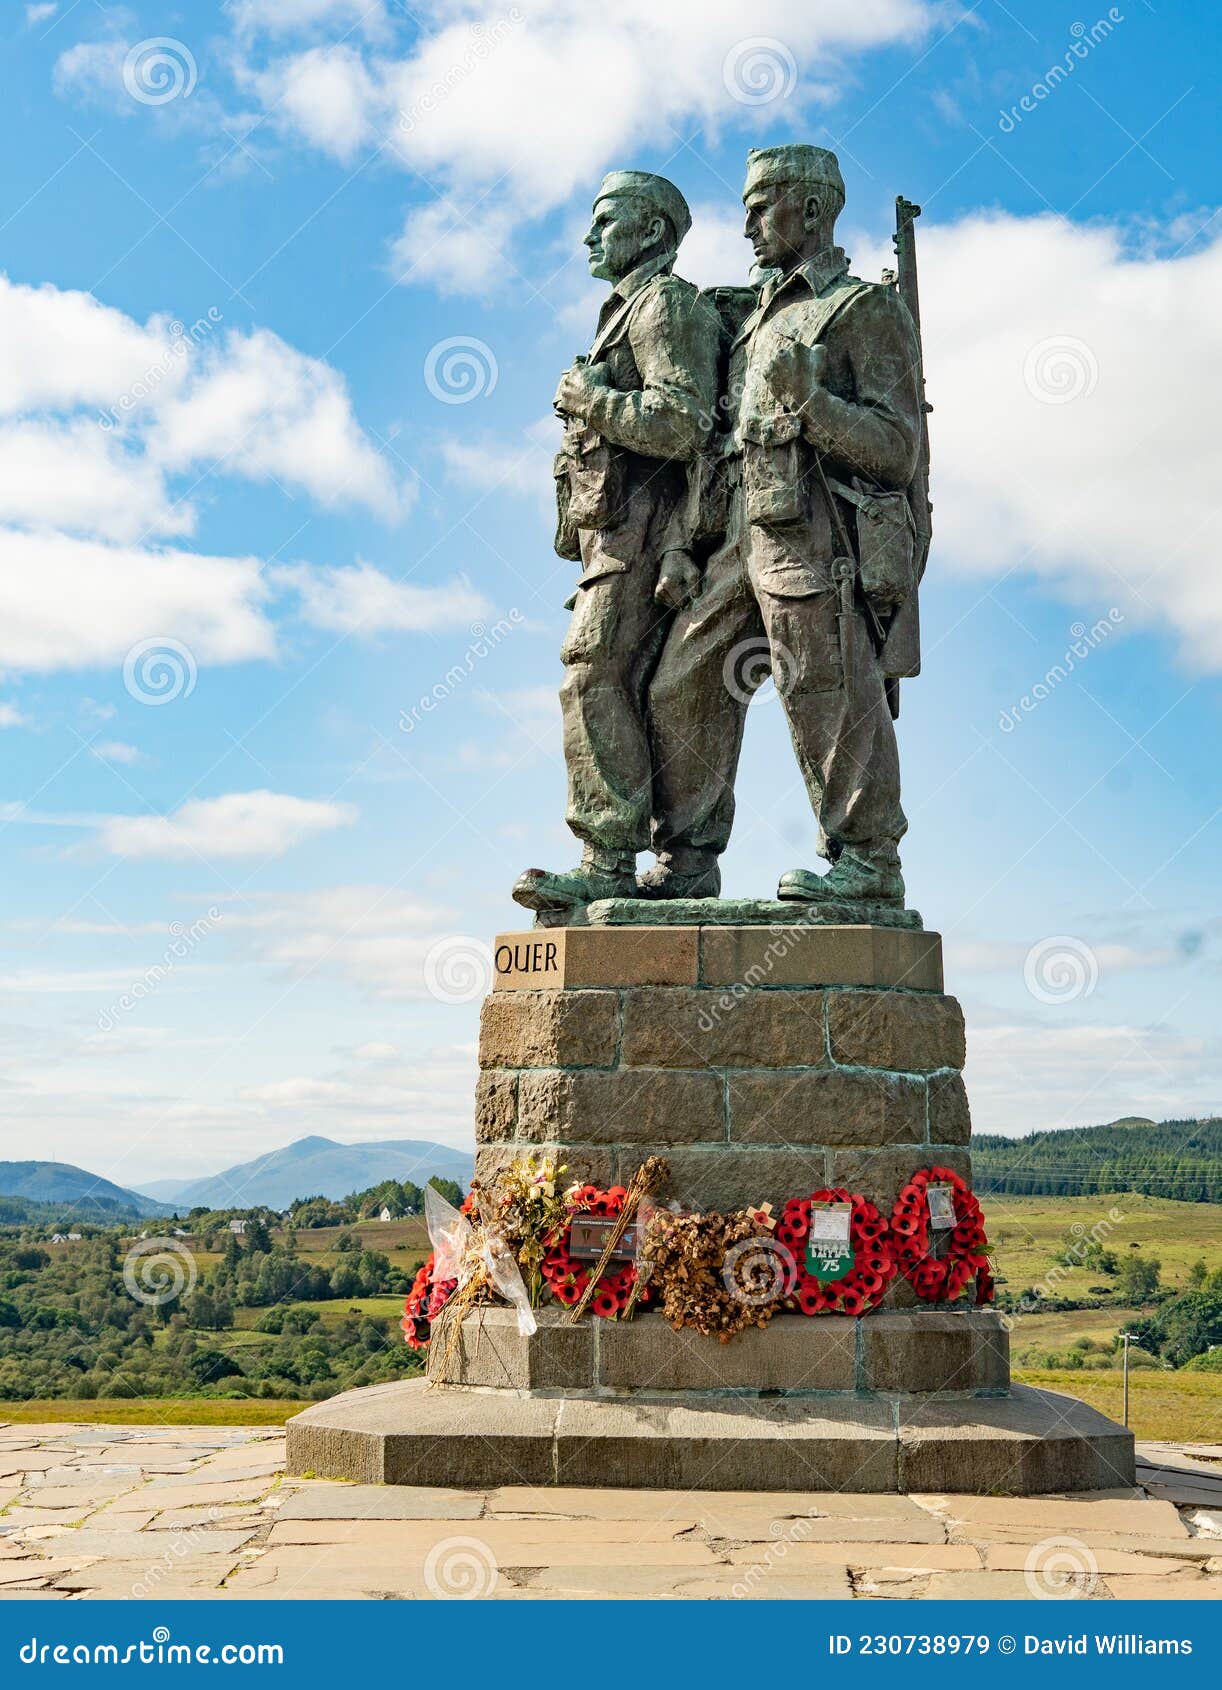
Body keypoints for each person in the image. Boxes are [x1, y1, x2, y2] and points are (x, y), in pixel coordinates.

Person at [643, 144, 923, 907]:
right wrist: (682, 543)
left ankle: (868, 863)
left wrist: (816, 406)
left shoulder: (864, 309)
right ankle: (690, 859)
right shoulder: (748, 318)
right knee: (679, 686)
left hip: (813, 543)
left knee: (824, 690)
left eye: (759, 209)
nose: (747, 229)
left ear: (810, 209)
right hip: (737, 535)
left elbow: (898, 449)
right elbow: (717, 443)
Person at [512, 171, 721, 915]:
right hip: (615, 540)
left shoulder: (664, 304)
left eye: (605, 222)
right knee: (640, 690)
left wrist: (589, 400)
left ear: (653, 232)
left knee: (591, 672)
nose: (588, 237)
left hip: (647, 537)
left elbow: (684, 423)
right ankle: (680, 861)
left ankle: (609, 856)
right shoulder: (625, 310)